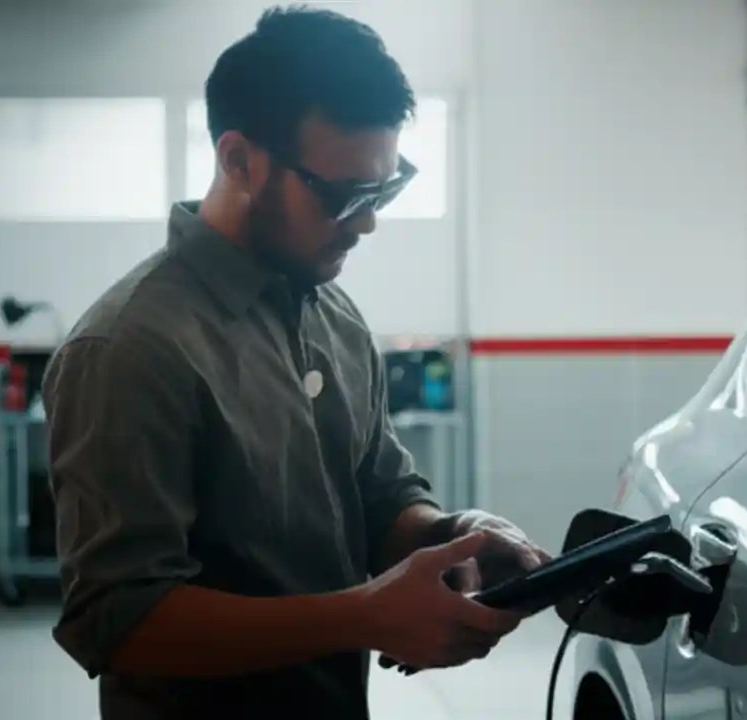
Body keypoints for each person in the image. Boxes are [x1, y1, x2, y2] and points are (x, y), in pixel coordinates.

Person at [42, 6, 550, 718]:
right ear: (239, 160)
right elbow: (119, 620)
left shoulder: (331, 314)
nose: (368, 221)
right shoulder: (132, 348)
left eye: (385, 188)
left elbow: (379, 496)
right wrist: (367, 615)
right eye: (345, 195)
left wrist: (450, 537)